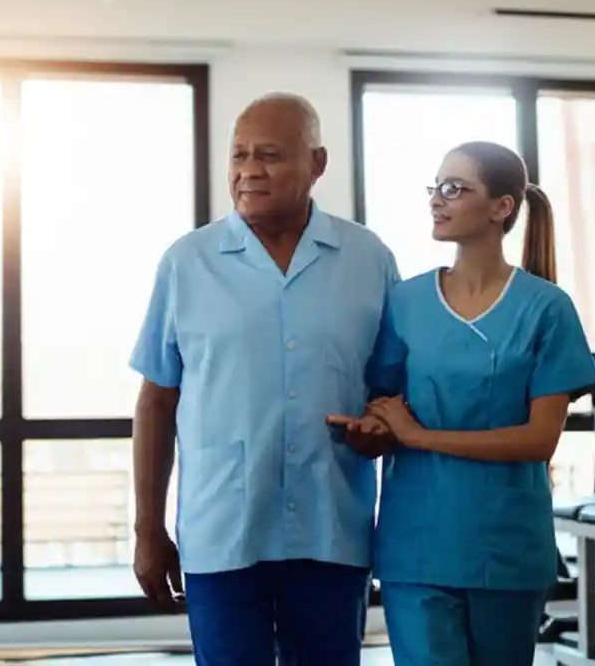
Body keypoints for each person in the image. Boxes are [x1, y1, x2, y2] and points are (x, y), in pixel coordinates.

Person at [129, 92, 399, 665]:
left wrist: (379, 426)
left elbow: (390, 389)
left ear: (317, 163)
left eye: (270, 155)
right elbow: (156, 400)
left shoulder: (367, 258)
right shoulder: (188, 262)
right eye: (239, 156)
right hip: (222, 530)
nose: (249, 171)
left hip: (332, 527)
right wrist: (148, 528)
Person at [328, 141, 595, 666]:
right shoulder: (405, 303)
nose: (437, 199)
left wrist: (421, 437)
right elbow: (384, 411)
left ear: (503, 207)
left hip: (508, 549)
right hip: (418, 546)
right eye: (436, 187)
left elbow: (540, 439)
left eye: (455, 188)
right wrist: (367, 434)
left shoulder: (546, 308)